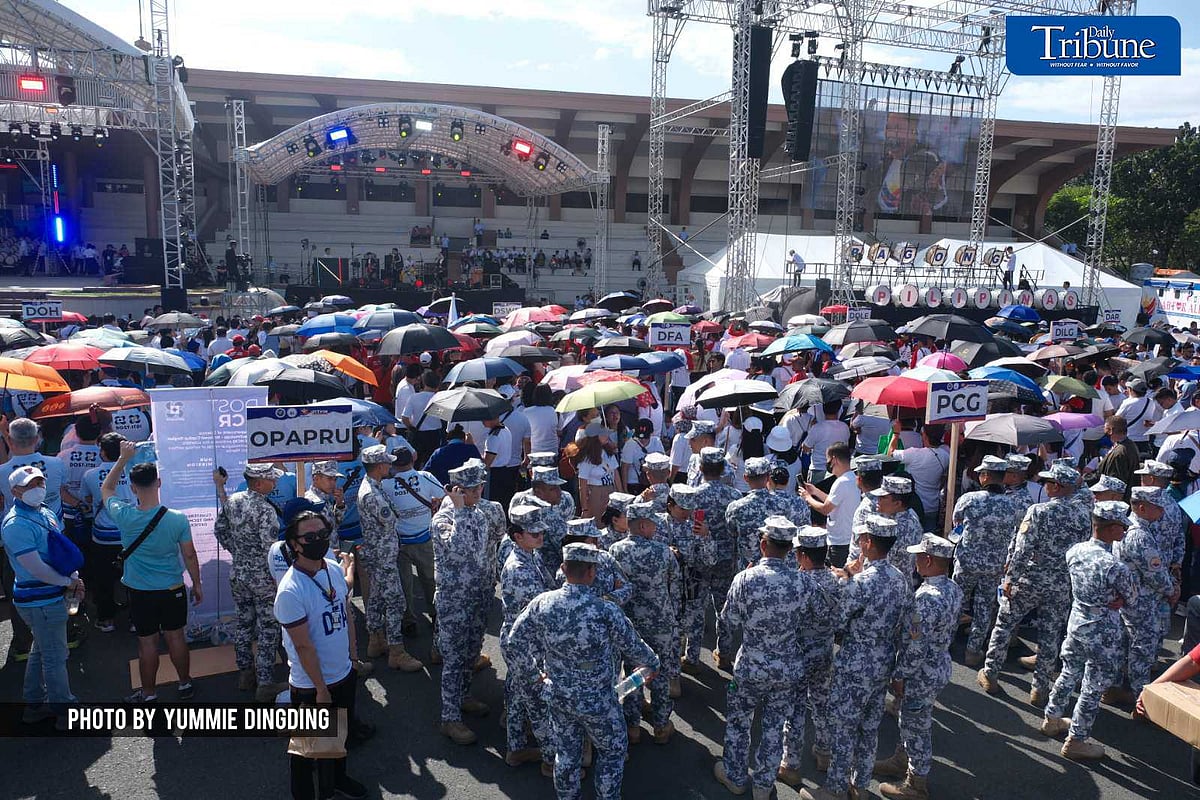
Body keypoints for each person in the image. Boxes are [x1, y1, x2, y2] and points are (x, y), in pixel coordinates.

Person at [507, 542, 661, 800]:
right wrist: (653, 664)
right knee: (612, 751)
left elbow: (514, 642)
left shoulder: (542, 603)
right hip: (598, 701)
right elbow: (634, 647)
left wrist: (534, 677)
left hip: (559, 696)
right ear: (592, 572)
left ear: (563, 568)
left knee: (566, 755)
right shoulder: (605, 610)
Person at [798, 515, 912, 800]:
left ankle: (835, 789)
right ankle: (860, 785)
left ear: (869, 542)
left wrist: (845, 580)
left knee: (843, 727)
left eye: (862, 538)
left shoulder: (861, 583)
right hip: (884, 659)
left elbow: (836, 621)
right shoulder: (900, 579)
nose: (860, 542)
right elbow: (905, 627)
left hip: (855, 662)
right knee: (870, 728)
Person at [714, 517, 814, 800]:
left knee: (739, 722)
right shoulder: (802, 582)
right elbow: (812, 619)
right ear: (790, 550)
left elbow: (728, 620)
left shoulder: (745, 579)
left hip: (751, 666)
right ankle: (763, 785)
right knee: (774, 727)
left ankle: (735, 776)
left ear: (762, 545)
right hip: (786, 668)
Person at [978, 462, 1090, 707]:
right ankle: (1040, 688)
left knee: (1004, 625)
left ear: (1057, 487)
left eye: (1048, 482)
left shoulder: (1039, 511)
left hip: (1030, 579)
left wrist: (1010, 579)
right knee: (1050, 635)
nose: (1044, 486)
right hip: (1061, 583)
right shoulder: (1083, 515)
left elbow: (1022, 549)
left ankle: (990, 673)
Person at [274, 510, 368, 800]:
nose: (319, 540)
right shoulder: (290, 590)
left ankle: (336, 781)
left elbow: (346, 613)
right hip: (311, 685)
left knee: (338, 736)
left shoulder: (333, 569)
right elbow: (303, 646)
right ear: (295, 544)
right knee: (306, 751)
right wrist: (320, 689)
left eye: (323, 534)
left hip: (343, 673)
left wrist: (353, 658)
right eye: (310, 537)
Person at [102, 441, 201, 702]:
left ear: (133, 487)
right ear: (159, 483)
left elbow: (107, 489)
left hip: (140, 590)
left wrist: (123, 459)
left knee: (147, 643)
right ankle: (184, 683)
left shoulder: (124, 515)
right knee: (176, 637)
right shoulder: (177, 518)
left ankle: (148, 693)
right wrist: (197, 584)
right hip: (172, 588)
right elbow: (190, 555)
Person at [1040, 501, 1138, 762]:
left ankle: (1051, 718)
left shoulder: (1075, 551)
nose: (1124, 531)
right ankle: (1077, 740)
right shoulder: (1115, 566)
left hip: (1077, 620)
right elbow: (1132, 598)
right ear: (1111, 528)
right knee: (1093, 686)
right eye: (1121, 526)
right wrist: (1117, 599)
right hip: (1103, 630)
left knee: (1068, 671)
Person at [873, 534, 963, 800]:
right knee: (911, 719)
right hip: (939, 665)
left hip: (921, 673)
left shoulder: (926, 599)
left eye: (919, 557)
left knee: (916, 727)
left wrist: (900, 675)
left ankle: (916, 783)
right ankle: (901, 759)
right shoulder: (953, 588)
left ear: (928, 560)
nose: (915, 561)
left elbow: (916, 647)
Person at [431, 459, 506, 745]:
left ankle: (463, 696)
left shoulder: (481, 512)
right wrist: (460, 510)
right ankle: (449, 718)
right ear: (457, 491)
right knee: (453, 658)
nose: (478, 493)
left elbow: (494, 541)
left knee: (472, 651)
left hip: (480, 593)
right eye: (472, 489)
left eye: (479, 487)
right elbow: (459, 548)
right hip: (455, 600)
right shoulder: (443, 519)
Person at [1, 465, 80, 726]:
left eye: (39, 483)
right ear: (15, 491)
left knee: (42, 650)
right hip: (40, 600)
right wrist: (68, 582)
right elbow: (36, 567)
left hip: (49, 596)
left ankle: (34, 703)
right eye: (29, 485)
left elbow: (59, 549)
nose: (37, 489)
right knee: (55, 656)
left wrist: (73, 576)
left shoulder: (44, 511)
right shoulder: (15, 525)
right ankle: (64, 711)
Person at [214, 462, 290, 702]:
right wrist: (278, 578)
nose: (274, 482)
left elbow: (219, 530)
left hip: (239, 574)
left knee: (244, 623)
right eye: (271, 479)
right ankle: (265, 683)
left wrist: (237, 552)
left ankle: (245, 673)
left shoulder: (233, 501)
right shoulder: (265, 510)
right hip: (262, 578)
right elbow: (270, 549)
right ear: (258, 484)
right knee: (268, 627)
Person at [609, 501, 681, 745]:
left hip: (630, 624)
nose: (656, 528)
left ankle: (633, 727)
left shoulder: (615, 551)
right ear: (642, 525)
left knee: (633, 674)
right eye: (652, 524)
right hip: (661, 623)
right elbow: (675, 586)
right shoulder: (663, 552)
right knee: (660, 673)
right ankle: (661, 725)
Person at [779, 527, 842, 786]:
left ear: (803, 556)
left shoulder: (796, 583)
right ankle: (824, 752)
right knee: (822, 701)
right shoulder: (835, 580)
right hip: (824, 652)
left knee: (794, 709)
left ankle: (790, 764)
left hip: (798, 655)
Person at [499, 505, 556, 771]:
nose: (540, 537)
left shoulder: (530, 555)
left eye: (541, 532)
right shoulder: (519, 570)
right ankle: (550, 761)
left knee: (516, 696)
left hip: (522, 642)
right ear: (518, 536)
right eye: (534, 534)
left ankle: (516, 749)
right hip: (525, 646)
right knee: (538, 704)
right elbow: (542, 612)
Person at [356, 445, 422, 672]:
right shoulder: (372, 494)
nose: (390, 466)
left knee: (375, 597)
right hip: (382, 555)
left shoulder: (374, 486)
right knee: (396, 601)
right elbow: (389, 519)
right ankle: (396, 651)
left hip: (378, 553)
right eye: (387, 462)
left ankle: (375, 640)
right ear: (380, 466)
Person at [951, 455, 1021, 666]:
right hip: (994, 565)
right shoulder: (1012, 505)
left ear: (986, 476)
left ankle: (945, 641)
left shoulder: (969, 499)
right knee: (984, 608)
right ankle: (973, 650)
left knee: (956, 602)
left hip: (967, 561)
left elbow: (956, 521)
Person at [1111, 487, 1177, 705]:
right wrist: (1171, 591)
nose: (1162, 511)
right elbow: (1155, 574)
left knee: (1122, 646)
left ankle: (1113, 689)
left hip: (1127, 597)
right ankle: (1141, 701)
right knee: (1142, 651)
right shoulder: (1140, 536)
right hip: (1142, 602)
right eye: (1158, 507)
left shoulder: (1126, 528)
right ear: (1142, 508)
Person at [691, 447, 744, 671]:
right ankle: (724, 653)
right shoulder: (735, 496)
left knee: (696, 608)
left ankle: (691, 657)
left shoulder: (693, 495)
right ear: (723, 469)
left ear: (700, 468)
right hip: (726, 559)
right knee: (724, 608)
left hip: (700, 559)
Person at [386, 448, 443, 638]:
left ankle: (408, 620)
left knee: (404, 584)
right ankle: (436, 615)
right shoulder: (425, 477)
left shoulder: (386, 485)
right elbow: (443, 494)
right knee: (430, 580)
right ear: (412, 460)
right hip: (424, 538)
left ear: (393, 464)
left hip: (400, 541)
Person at [800, 443, 859, 567]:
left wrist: (807, 497)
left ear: (834, 459)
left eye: (827, 459)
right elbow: (833, 502)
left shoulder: (841, 482)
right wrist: (815, 491)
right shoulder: (852, 478)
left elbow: (825, 509)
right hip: (846, 538)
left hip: (839, 542)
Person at [888, 423, 948, 530]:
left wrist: (896, 433)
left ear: (924, 435)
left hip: (915, 506)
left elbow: (890, 454)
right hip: (933, 506)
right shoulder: (946, 455)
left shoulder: (914, 454)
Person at [1095, 416, 1139, 495]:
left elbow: (1116, 481)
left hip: (1115, 496)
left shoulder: (1119, 453)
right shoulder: (1130, 445)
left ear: (1110, 430)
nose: (1104, 430)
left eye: (1105, 428)